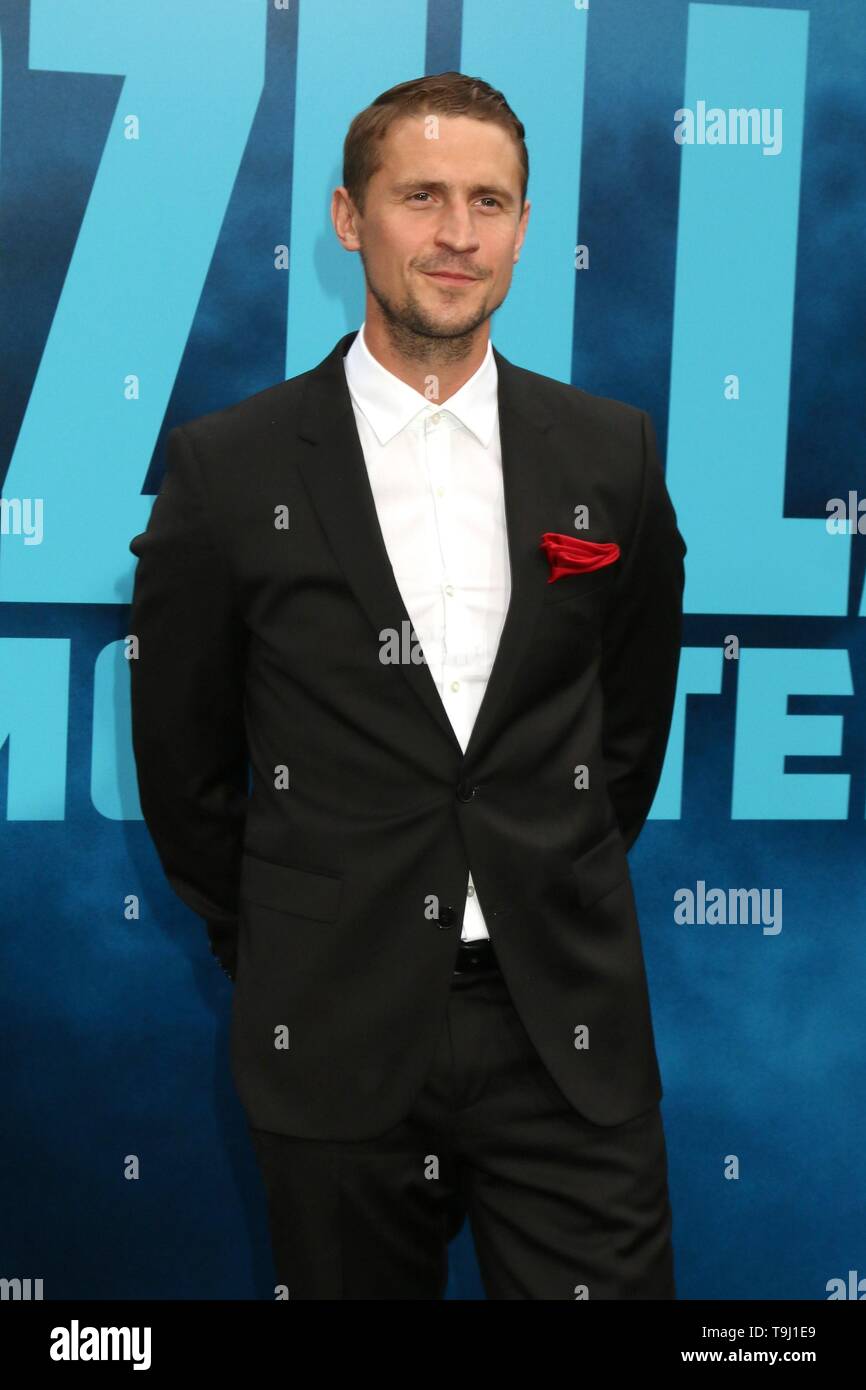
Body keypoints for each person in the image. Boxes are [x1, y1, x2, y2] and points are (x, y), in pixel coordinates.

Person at [128, 71, 686, 1300]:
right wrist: (291, 932)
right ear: (346, 217)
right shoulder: (228, 470)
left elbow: (624, 730)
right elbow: (186, 767)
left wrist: (543, 864)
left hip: (563, 1033)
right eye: (419, 194)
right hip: (331, 1028)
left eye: (489, 201)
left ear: (526, 228)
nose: (455, 233)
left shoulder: (611, 453)